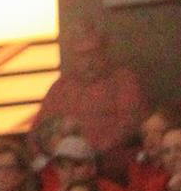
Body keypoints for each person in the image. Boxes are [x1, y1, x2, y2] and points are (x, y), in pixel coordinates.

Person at [34, 23, 148, 176]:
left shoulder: (123, 81)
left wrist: (90, 152)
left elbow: (130, 125)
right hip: (65, 171)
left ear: (104, 52)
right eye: (82, 56)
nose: (89, 62)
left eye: (93, 53)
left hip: (111, 170)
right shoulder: (60, 88)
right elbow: (39, 132)